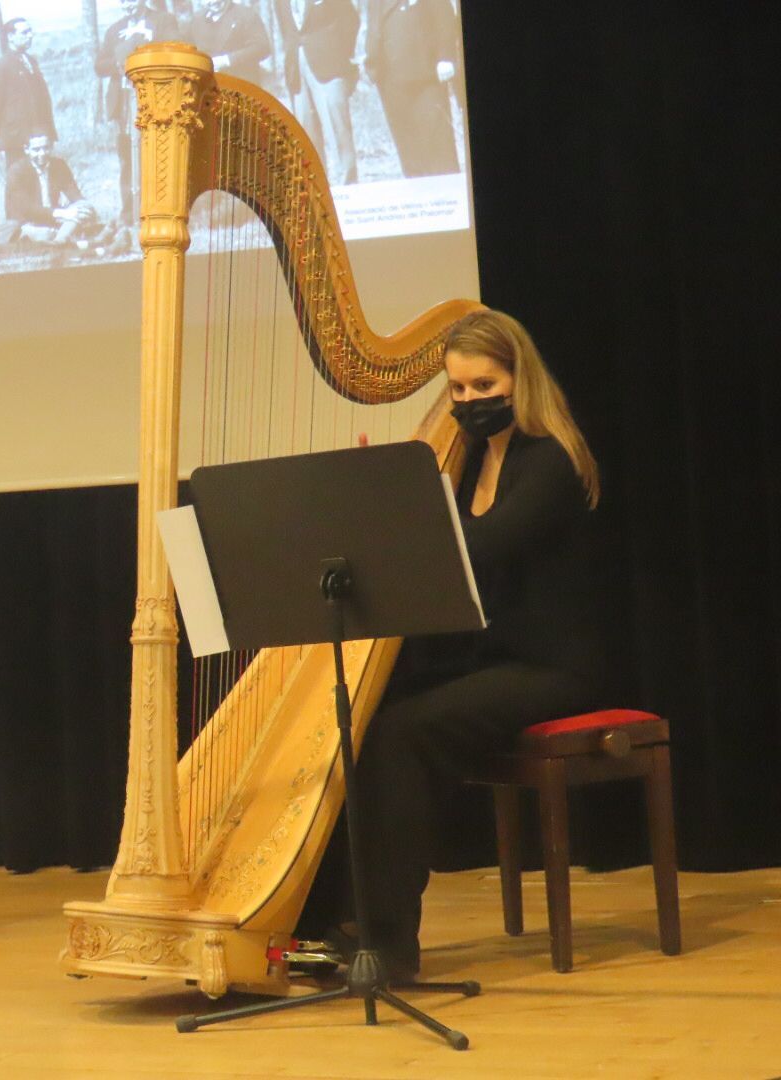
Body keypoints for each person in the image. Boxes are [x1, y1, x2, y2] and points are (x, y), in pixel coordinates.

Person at [297, 308, 605, 979]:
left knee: (404, 733)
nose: (469, 402)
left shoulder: (547, 460)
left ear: (520, 379)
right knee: (359, 715)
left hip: (554, 667)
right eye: (458, 390)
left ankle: (389, 944)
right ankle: (327, 921)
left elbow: (481, 551)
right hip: (495, 661)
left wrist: (390, 508)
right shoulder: (465, 461)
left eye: (483, 385)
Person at [96, 0, 180, 222]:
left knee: (158, 153)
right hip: (124, 104)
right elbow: (99, 65)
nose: (127, 6)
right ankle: (130, 209)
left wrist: (143, 48)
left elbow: (174, 51)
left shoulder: (162, 20)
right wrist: (120, 60)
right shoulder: (115, 29)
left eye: (131, 0)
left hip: (155, 99)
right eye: (122, 2)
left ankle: (161, 208)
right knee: (127, 157)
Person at [363, 0, 460, 177]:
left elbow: (443, 15)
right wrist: (371, 64)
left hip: (426, 76)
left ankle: (446, 198)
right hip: (390, 80)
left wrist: (445, 56)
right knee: (409, 152)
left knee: (438, 147)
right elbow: (374, 25)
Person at [289, 0, 360, 186]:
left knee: (337, 127)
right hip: (297, 68)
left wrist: (338, 54)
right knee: (306, 131)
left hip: (330, 64)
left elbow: (350, 19)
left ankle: (348, 188)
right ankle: (318, 190)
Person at [3, 132, 105, 249]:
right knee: (46, 234)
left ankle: (57, 243)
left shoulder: (59, 165)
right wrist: (64, 213)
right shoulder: (16, 170)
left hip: (55, 219)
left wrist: (83, 207)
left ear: (51, 147)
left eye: (46, 148)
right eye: (36, 150)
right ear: (27, 150)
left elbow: (75, 195)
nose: (42, 154)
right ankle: (68, 242)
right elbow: (27, 209)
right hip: (27, 223)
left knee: (84, 209)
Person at [0, 18, 57, 169]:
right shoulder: (2, 66)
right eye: (24, 32)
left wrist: (48, 131)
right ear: (10, 36)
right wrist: (0, 135)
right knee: (19, 183)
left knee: (43, 179)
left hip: (39, 136)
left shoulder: (30, 61)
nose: (30, 35)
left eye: (30, 31)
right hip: (17, 140)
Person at [187, 0, 273, 88]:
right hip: (210, 89)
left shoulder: (246, 15)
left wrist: (227, 60)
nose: (214, 1)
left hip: (241, 86)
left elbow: (262, 47)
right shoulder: (197, 20)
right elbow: (189, 50)